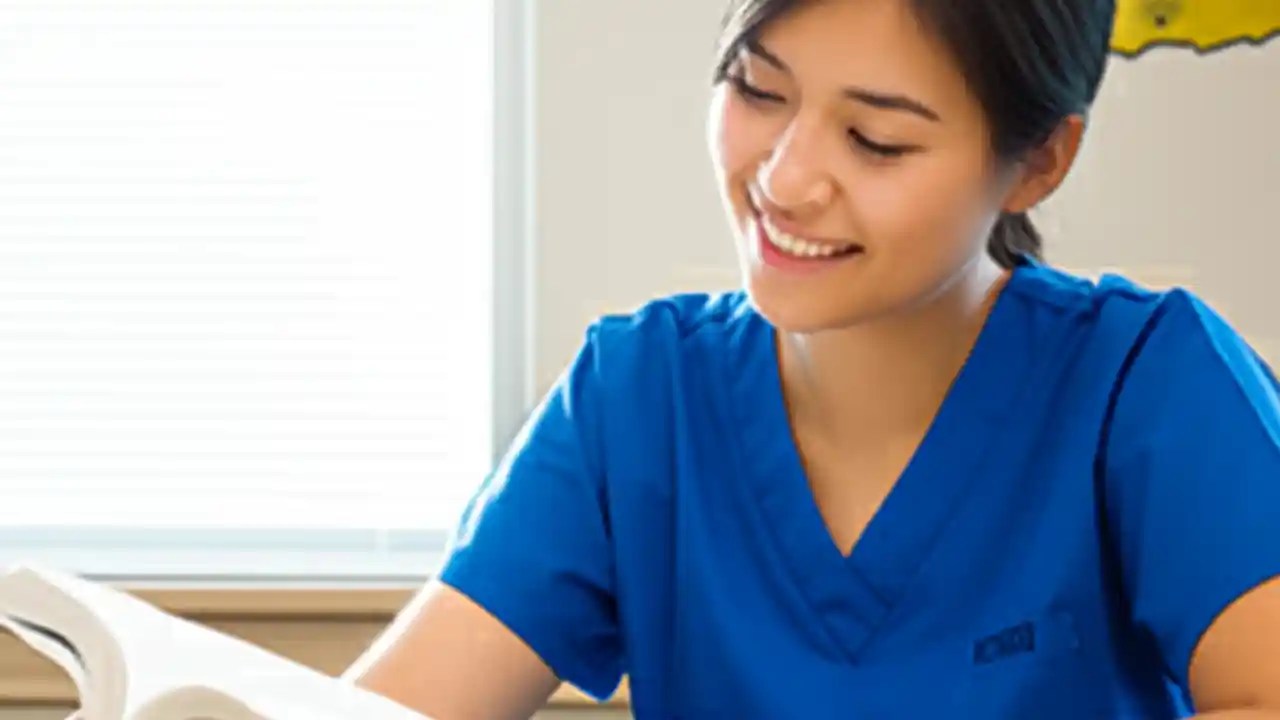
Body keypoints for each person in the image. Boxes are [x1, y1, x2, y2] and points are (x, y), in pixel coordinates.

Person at [343, 0, 1280, 718]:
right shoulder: (638, 398)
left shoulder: (1149, 384)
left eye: (876, 141)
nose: (785, 181)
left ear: (1038, 162)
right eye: (758, 90)